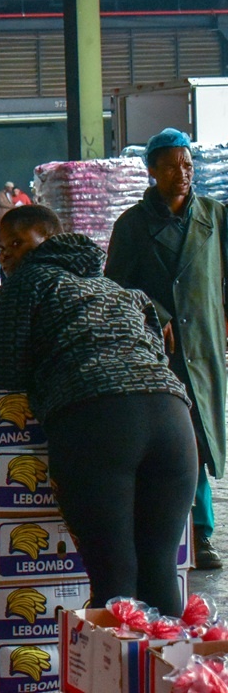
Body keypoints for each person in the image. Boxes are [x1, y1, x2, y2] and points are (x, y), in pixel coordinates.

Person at [0, 204, 195, 616]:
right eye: (2, 248)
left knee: (115, 582)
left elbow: (4, 368)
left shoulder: (30, 280)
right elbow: (155, 352)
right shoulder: (121, 291)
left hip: (98, 422)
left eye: (16, 243)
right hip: (172, 421)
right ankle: (172, 676)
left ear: (49, 239)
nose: (7, 255)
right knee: (159, 572)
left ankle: (116, 678)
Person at [105, 127, 228, 570]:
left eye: (188, 165)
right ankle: (178, 535)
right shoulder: (132, 226)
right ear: (152, 171)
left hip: (206, 344)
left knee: (203, 440)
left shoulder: (214, 216)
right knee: (174, 442)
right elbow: (114, 288)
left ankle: (203, 533)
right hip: (157, 351)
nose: (183, 173)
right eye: (173, 166)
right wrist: (155, 312)